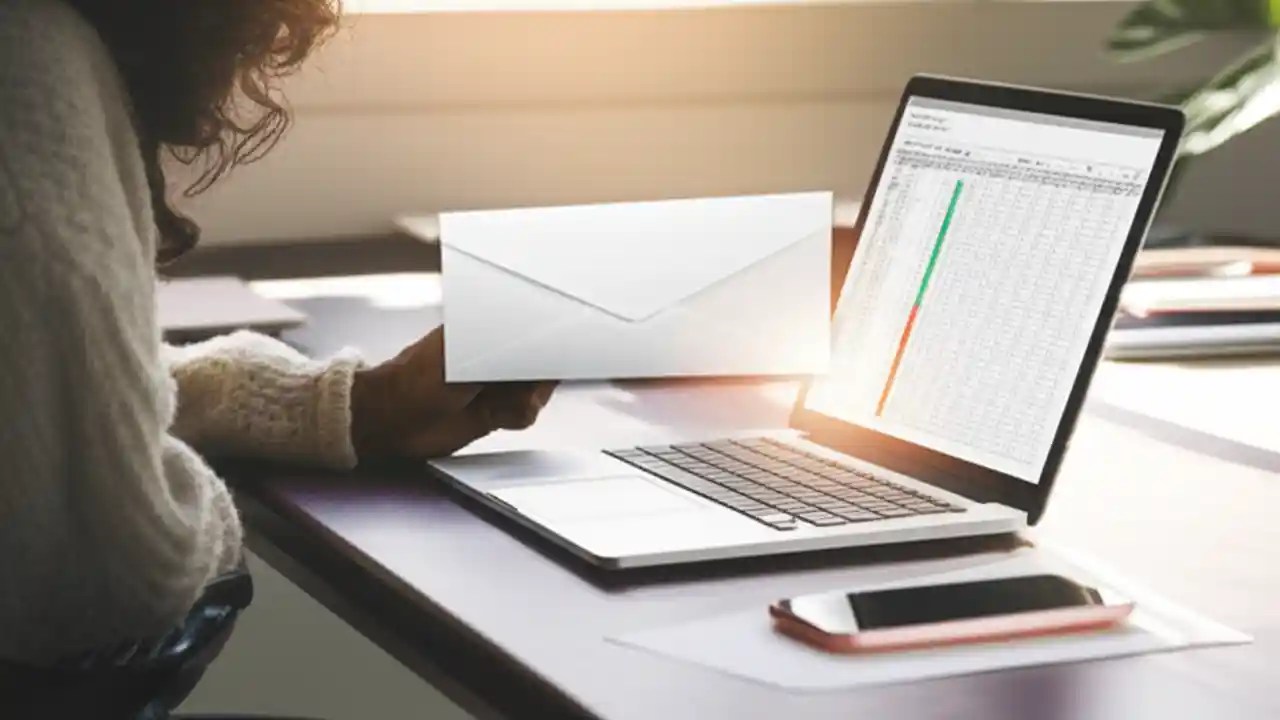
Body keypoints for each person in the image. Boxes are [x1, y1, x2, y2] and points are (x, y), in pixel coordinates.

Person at [0, 0, 555, 671]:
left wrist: (357, 410)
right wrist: (143, 482)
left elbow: (30, 409)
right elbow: (112, 559)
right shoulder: (27, 66)